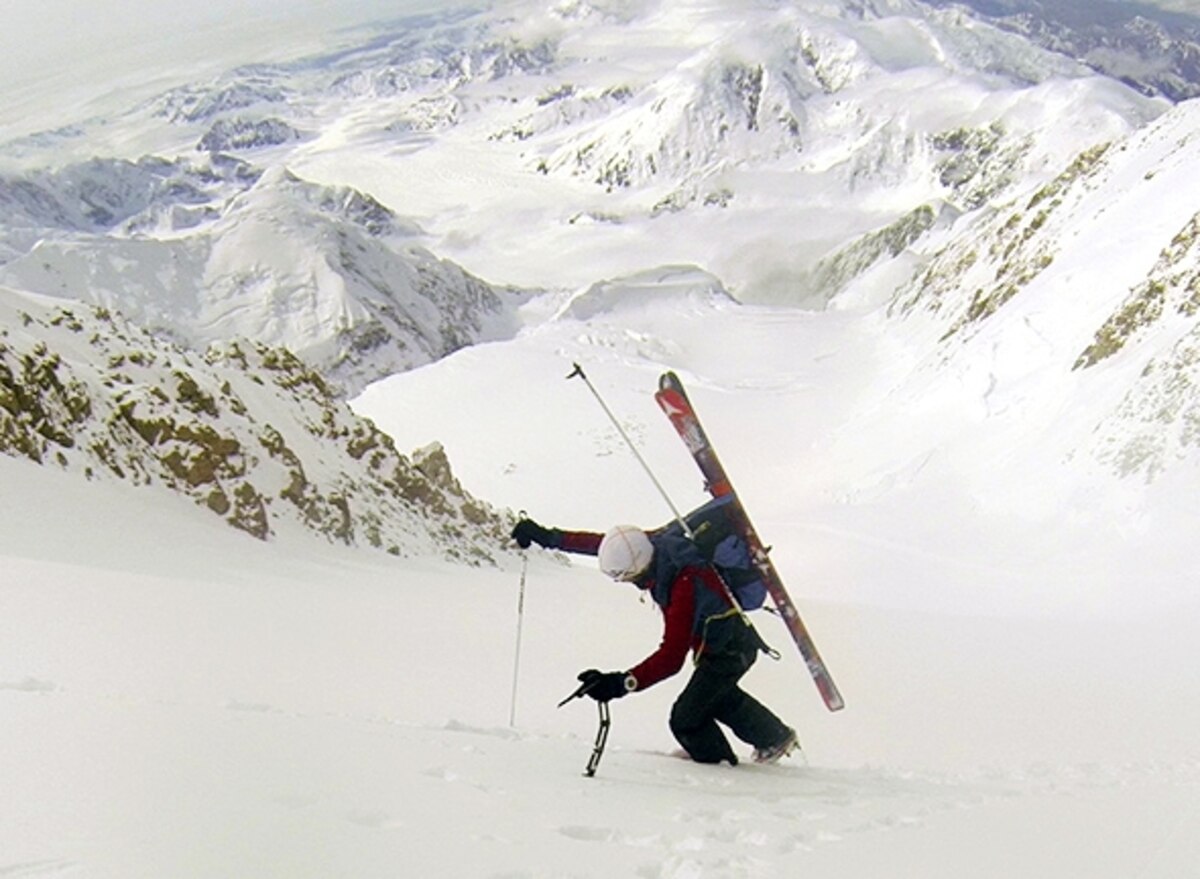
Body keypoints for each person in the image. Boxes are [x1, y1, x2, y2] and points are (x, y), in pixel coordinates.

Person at [512, 515, 799, 765]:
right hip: (726, 643)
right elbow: (600, 544)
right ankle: (775, 737)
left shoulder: (683, 583)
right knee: (713, 697)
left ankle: (718, 768)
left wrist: (620, 683)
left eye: (626, 578)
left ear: (638, 571)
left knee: (685, 719)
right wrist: (547, 537)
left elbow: (671, 657)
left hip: (730, 650)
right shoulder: (656, 544)